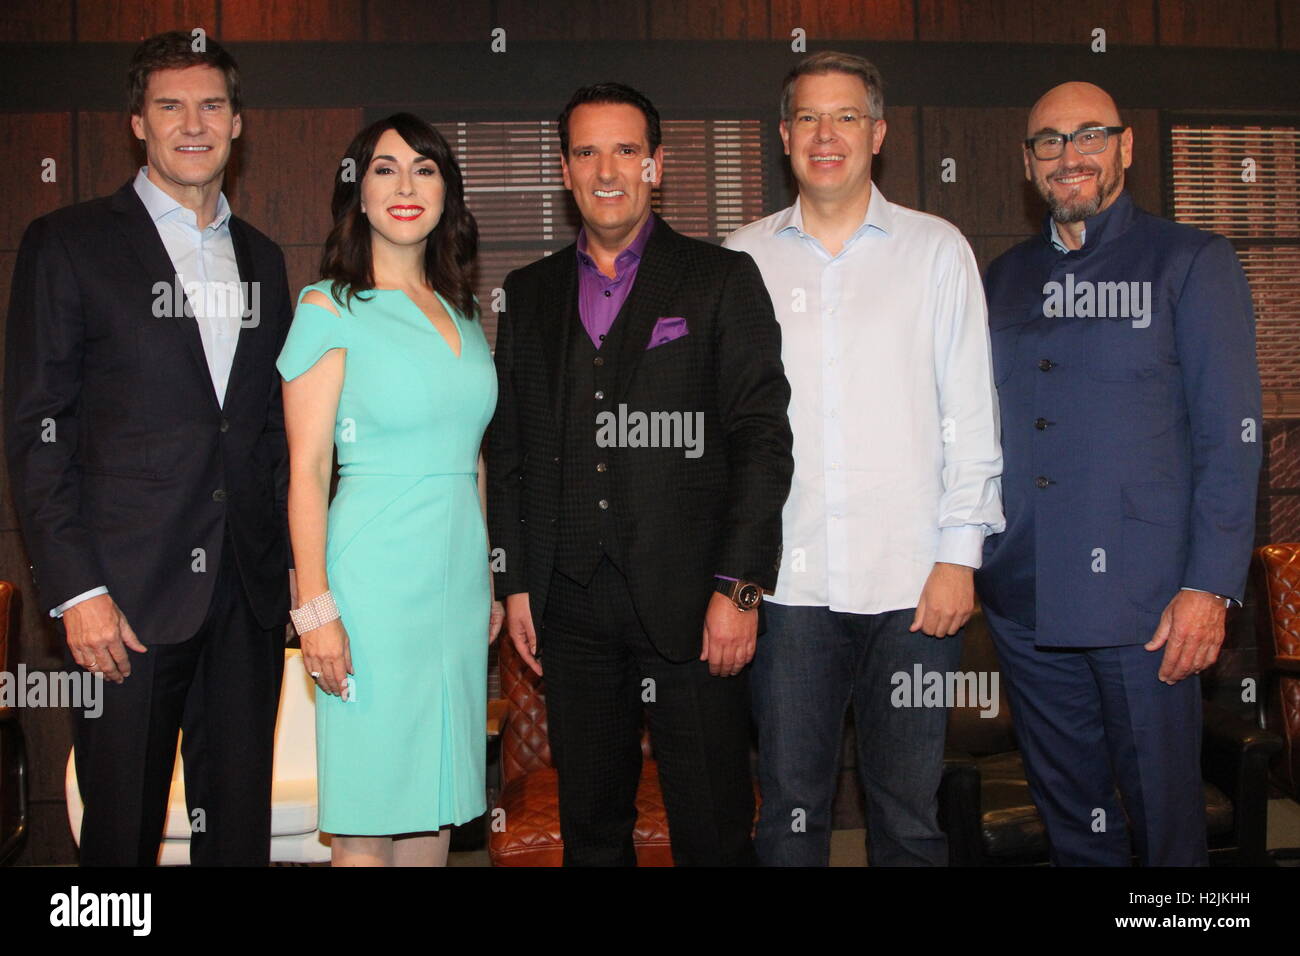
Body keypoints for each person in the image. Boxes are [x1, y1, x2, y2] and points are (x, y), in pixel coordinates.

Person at [3, 32, 293, 865]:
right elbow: (36, 428)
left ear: (238, 124)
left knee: (236, 834)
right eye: (170, 105)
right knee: (119, 838)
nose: (192, 124)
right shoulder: (69, 242)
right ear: (138, 122)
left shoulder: (266, 261)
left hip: (245, 594)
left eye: (211, 105)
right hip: (123, 604)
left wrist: (287, 571)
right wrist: (75, 591)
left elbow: (265, 429)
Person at [485, 82, 793, 866]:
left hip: (696, 605)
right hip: (571, 606)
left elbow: (762, 443)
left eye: (626, 149)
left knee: (715, 825)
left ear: (656, 165)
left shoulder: (721, 279)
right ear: (564, 169)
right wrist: (516, 582)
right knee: (591, 827)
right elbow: (511, 451)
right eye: (587, 151)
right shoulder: (529, 293)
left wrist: (741, 589)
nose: (607, 168)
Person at [724, 51, 1004, 866]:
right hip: (786, 592)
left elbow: (972, 415)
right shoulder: (741, 261)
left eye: (846, 116)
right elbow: (728, 441)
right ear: (784, 137)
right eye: (808, 117)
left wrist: (960, 558)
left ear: (877, 134)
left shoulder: (936, 250)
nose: (826, 134)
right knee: (788, 813)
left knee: (909, 815)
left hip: (913, 589)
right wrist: (734, 581)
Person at [977, 81, 1263, 866]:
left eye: (1089, 136)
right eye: (1049, 142)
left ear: (1125, 148)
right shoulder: (998, 280)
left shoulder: (1190, 261)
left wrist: (1210, 586)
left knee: (1166, 829)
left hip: (1149, 608)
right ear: (1028, 161)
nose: (1070, 157)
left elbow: (1230, 438)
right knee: (1072, 825)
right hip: (1027, 601)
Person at [277, 113, 500, 867]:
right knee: (370, 819)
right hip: (370, 583)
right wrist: (315, 611)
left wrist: (489, 583)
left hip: (457, 588)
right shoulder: (327, 306)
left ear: (447, 195)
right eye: (385, 169)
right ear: (358, 194)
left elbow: (472, 459)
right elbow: (307, 470)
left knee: (434, 809)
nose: (406, 186)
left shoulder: (466, 313)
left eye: (426, 170)